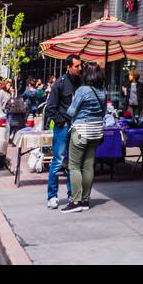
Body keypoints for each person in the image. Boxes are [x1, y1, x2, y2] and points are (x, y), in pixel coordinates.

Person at [64, 62, 107, 213]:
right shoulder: (103, 91)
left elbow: (71, 111)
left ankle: (75, 202)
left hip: (81, 131)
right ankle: (85, 200)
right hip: (96, 132)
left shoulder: (82, 90)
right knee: (88, 166)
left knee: (74, 166)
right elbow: (103, 113)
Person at [43, 54, 83, 211]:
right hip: (63, 127)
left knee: (72, 163)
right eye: (77, 66)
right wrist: (62, 121)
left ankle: (72, 195)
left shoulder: (81, 83)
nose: (80, 68)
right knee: (58, 161)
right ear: (68, 67)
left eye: (80, 66)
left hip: (77, 126)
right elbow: (50, 107)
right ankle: (52, 196)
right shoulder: (59, 84)